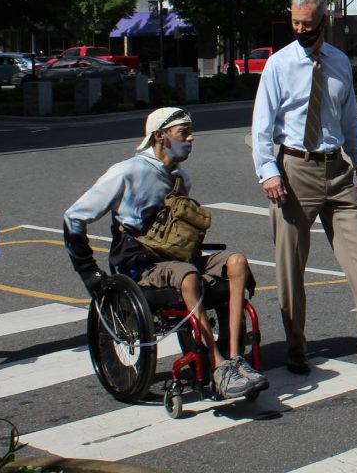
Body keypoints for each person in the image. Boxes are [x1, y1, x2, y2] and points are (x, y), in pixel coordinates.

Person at [252, 0, 357, 373]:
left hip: (337, 169)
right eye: (295, 24)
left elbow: (349, 118)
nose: (300, 31)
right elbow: (262, 124)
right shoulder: (279, 66)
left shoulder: (339, 62)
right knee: (290, 267)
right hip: (294, 170)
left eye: (308, 25)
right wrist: (269, 172)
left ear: (323, 22)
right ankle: (296, 347)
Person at [63, 107, 267, 400]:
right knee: (188, 275)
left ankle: (235, 357)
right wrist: (88, 272)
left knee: (236, 262)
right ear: (160, 136)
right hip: (142, 266)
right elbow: (73, 217)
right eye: (183, 132)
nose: (191, 138)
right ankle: (218, 367)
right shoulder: (125, 173)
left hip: (181, 259)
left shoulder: (180, 178)